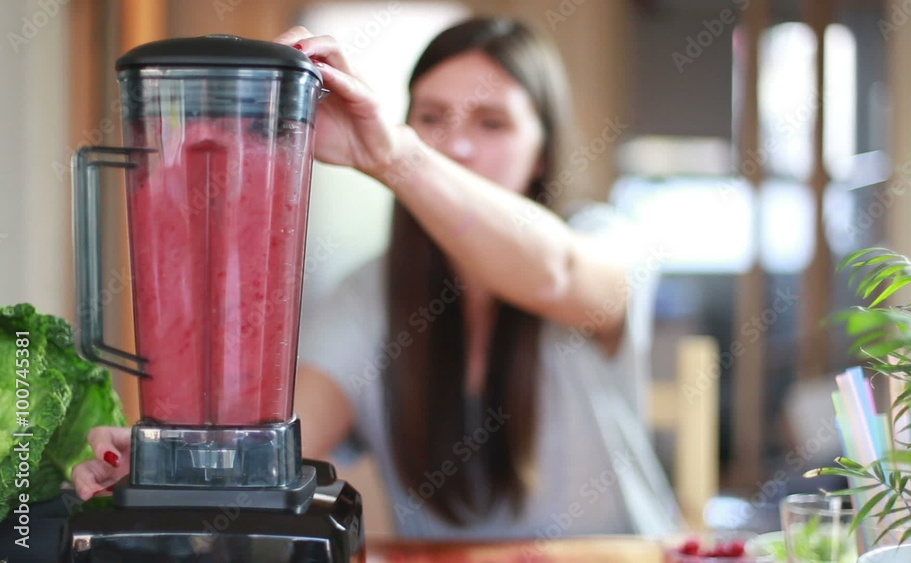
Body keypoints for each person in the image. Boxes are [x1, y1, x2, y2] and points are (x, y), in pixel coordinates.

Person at [72, 17, 683, 539]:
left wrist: (393, 155)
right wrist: (173, 464)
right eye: (433, 118)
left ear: (544, 150)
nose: (459, 147)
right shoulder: (371, 295)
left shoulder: (604, 239)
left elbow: (557, 273)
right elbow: (281, 434)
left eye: (492, 123)